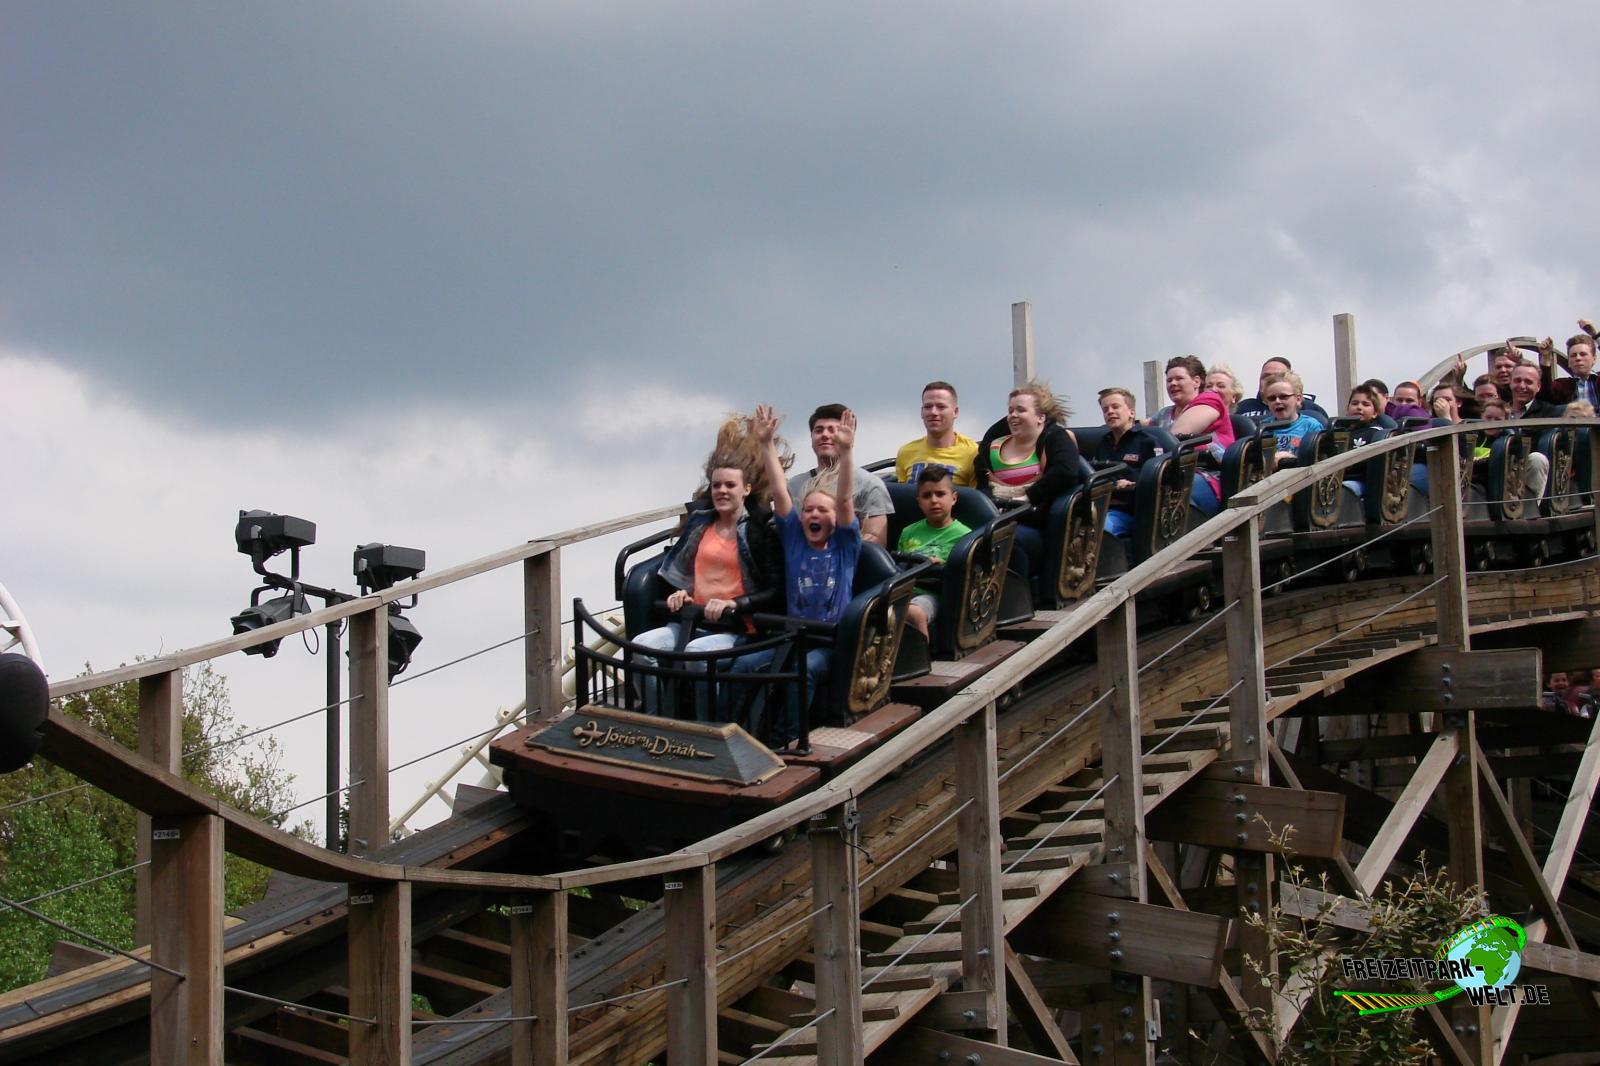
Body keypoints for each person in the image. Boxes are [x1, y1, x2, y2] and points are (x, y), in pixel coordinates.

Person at [745, 403, 864, 748]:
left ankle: (786, 740)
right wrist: (766, 445)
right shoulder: (796, 541)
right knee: (739, 664)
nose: (814, 514)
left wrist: (846, 452)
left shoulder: (843, 545)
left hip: (828, 643)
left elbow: (843, 502)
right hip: (791, 637)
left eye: (821, 510)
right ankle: (731, 731)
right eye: (808, 509)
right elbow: (781, 495)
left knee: (805, 669)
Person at [632, 452, 782, 717]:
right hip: (692, 622)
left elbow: (774, 589)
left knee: (697, 655)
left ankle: (708, 728)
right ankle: (654, 720)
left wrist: (735, 604)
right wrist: (680, 594)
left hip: (735, 629)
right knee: (641, 648)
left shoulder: (758, 531)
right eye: (716, 485)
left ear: (746, 489)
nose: (722, 491)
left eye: (730, 485)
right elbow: (679, 571)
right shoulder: (701, 524)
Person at [976, 381, 1084, 580]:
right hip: (994, 517)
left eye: (1021, 410)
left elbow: (1065, 471)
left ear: (1041, 417)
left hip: (1035, 523)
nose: (1013, 416)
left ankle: (1014, 597)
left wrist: (1029, 497)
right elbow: (982, 482)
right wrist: (987, 505)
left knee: (1005, 540)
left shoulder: (1053, 439)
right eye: (1010, 410)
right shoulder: (993, 446)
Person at [788, 403, 893, 545]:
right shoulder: (795, 485)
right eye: (819, 430)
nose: (825, 435)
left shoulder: (869, 484)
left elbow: (876, 541)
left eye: (833, 430)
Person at [1149, 356, 1235, 515]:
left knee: (1167, 491)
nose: (1172, 384)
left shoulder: (1210, 400)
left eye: (1179, 378)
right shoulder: (1163, 415)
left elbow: (1173, 438)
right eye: (1169, 380)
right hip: (1166, 475)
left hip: (1206, 477)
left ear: (1196, 381)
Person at [896, 466, 971, 639]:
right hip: (904, 591)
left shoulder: (966, 536)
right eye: (927, 496)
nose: (934, 500)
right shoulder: (908, 532)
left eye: (940, 494)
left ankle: (920, 657)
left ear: (953, 498)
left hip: (934, 594)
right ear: (919, 502)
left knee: (914, 613)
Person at [1092, 387, 1161, 539]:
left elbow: (1158, 479)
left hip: (1136, 511)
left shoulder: (1148, 442)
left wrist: (1132, 484)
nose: (1109, 412)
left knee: (1102, 527)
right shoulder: (1102, 444)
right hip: (1103, 506)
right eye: (1105, 410)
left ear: (1132, 412)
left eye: (1115, 407)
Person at [895, 380, 978, 487]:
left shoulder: (972, 453)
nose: (933, 412)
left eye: (941, 407)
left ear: (955, 412)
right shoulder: (906, 452)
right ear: (921, 412)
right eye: (928, 407)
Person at [1262, 372, 1322, 465]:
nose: (1277, 401)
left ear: (1298, 399)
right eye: (1272, 398)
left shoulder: (1311, 426)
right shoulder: (1263, 428)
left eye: (1283, 397)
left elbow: (1320, 461)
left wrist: (1289, 459)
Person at [1538, 332, 1600, 407]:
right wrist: (1546, 358)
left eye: (1583, 354)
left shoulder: (1598, 380)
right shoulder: (1562, 385)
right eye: (1573, 355)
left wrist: (1596, 335)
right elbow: (1544, 395)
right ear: (1569, 362)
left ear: (1594, 358)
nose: (1578, 358)